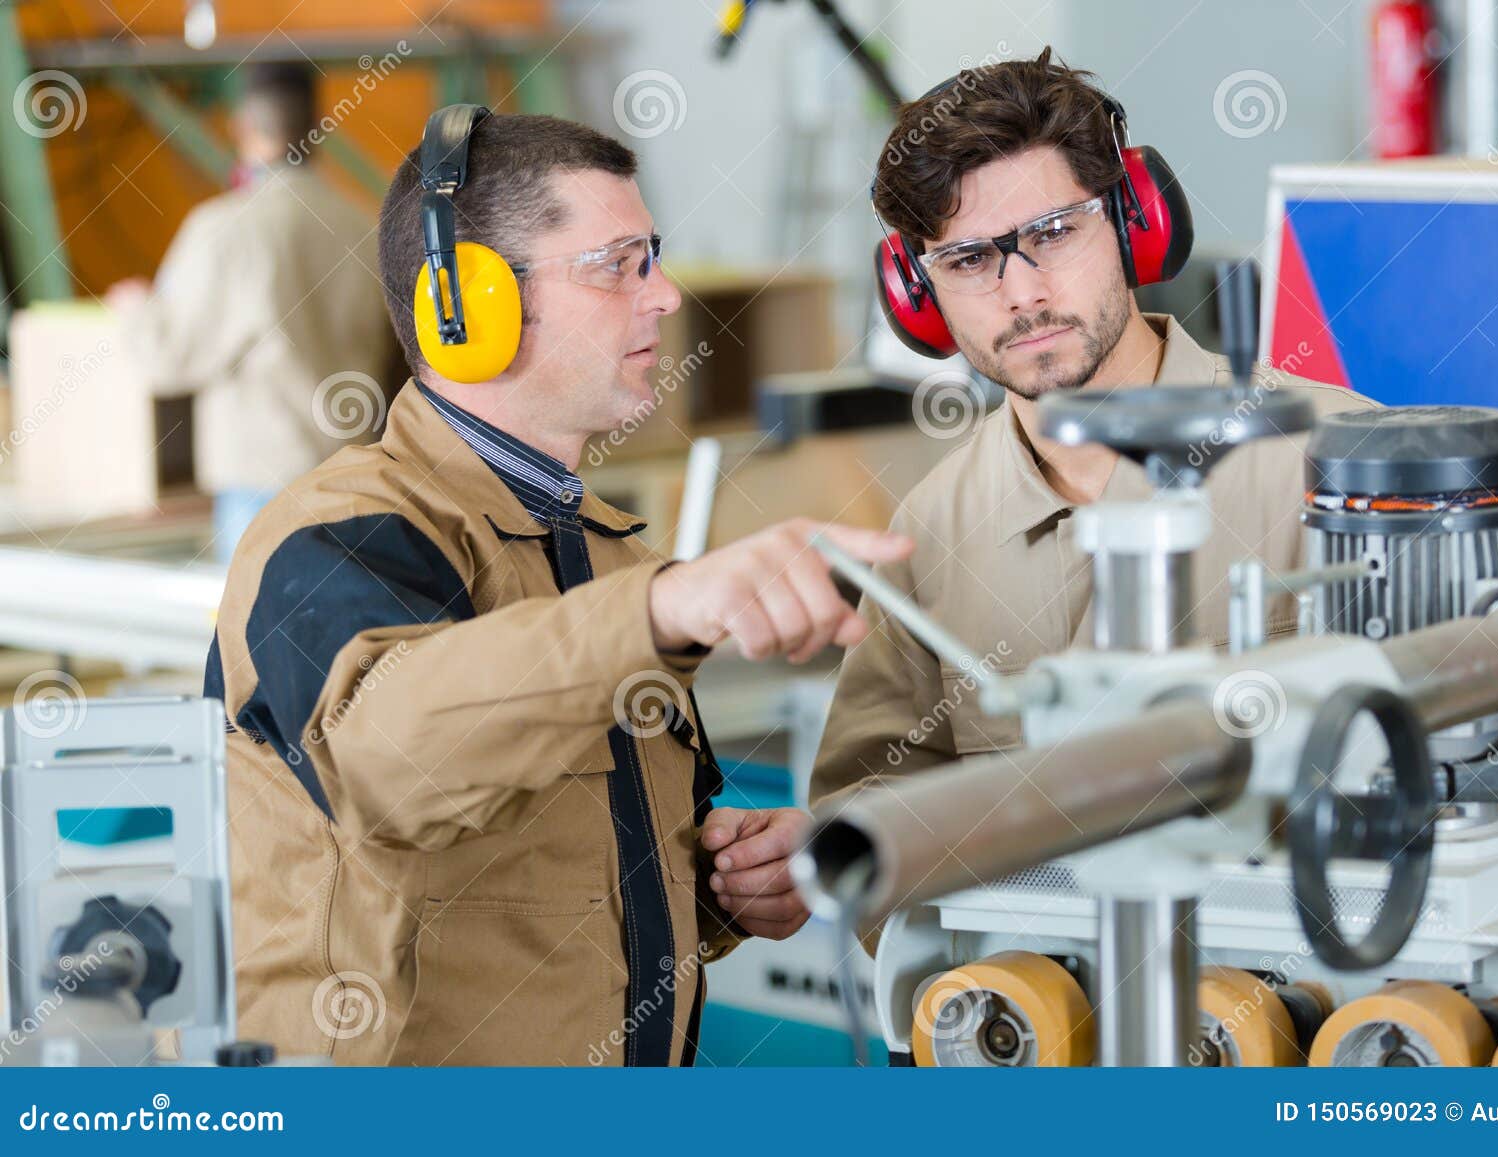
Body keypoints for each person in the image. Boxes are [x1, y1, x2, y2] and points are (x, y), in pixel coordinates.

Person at [203, 104, 911, 1065]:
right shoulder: (332, 537)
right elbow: (395, 761)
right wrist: (665, 608)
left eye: (653, 257)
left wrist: (730, 875)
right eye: (619, 265)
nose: (663, 298)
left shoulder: (603, 548)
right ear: (466, 304)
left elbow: (573, 860)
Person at [810, 52, 1375, 836]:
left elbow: (1490, 761)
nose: (1024, 291)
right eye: (970, 260)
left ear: (1133, 222)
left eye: (1053, 232)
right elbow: (869, 820)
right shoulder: (928, 532)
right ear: (917, 295)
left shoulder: (1336, 460)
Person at [108, 62, 392, 561]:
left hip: (263, 489)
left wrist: (134, 309)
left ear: (243, 127)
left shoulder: (225, 229)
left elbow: (170, 359)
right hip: (352, 480)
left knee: (256, 635)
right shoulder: (363, 226)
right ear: (318, 128)